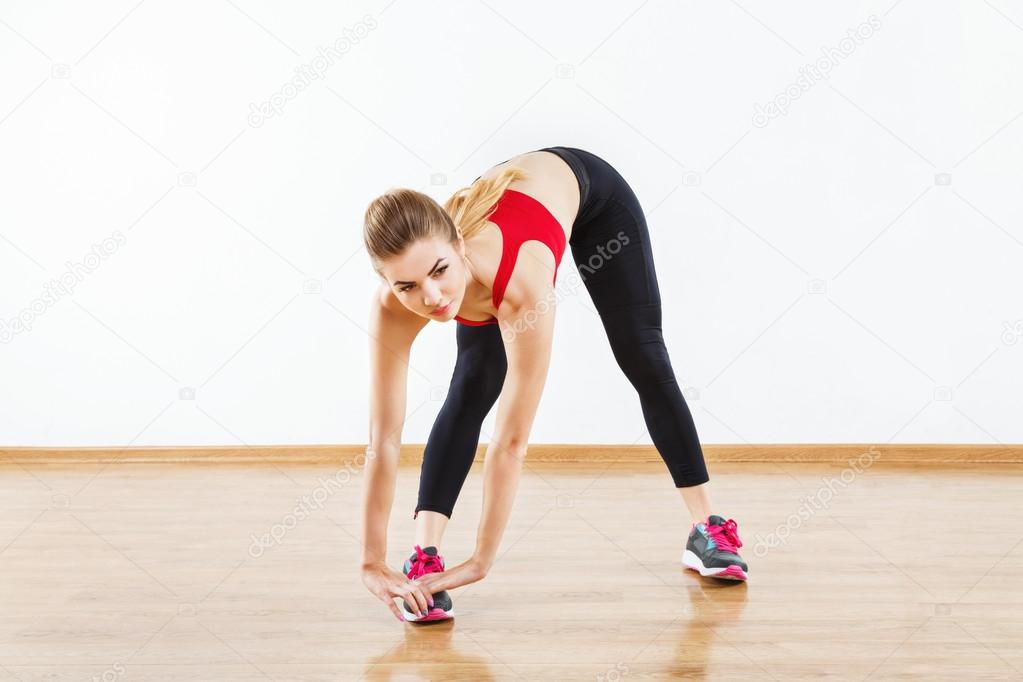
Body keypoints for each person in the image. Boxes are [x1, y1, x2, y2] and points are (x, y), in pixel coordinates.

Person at [359, 147, 748, 623]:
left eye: (439, 271)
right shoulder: (396, 305)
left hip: (597, 202)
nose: (433, 297)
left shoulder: (522, 287)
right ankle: (425, 558)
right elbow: (384, 440)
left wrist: (482, 559)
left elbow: (511, 441)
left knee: (642, 354)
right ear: (386, 283)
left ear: (457, 244)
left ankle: (706, 527)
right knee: (472, 385)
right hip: (496, 249)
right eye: (408, 286)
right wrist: (370, 561)